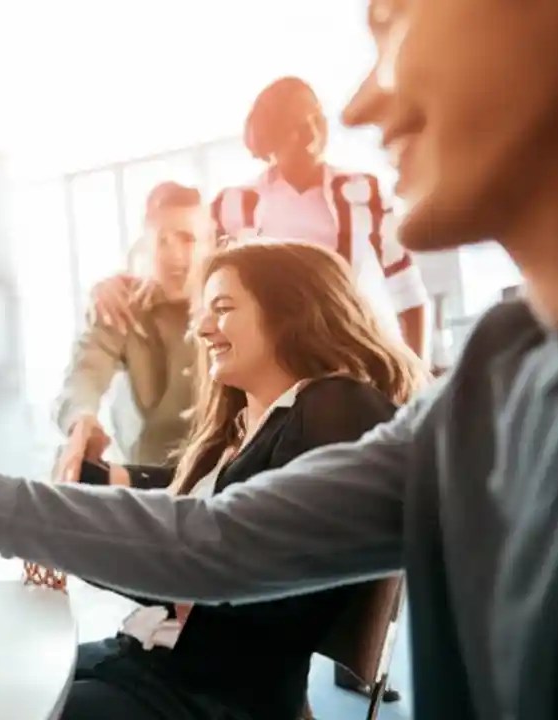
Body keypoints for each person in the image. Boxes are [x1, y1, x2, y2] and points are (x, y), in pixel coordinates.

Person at [0, 0, 558, 715]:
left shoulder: (357, 401)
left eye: (393, 21)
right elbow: (206, 540)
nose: (358, 106)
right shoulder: (494, 378)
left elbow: (208, 564)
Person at [62, 240, 422, 720]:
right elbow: (203, 495)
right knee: (12, 679)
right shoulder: (263, 420)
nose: (202, 326)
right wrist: (99, 475)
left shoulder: (337, 406)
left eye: (223, 309)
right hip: (157, 667)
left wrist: (65, 536)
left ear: (290, 312)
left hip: (211, 701)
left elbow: (244, 569)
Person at [92, 77, 429, 361]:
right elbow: (181, 258)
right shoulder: (234, 205)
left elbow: (408, 292)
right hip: (278, 368)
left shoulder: (362, 191)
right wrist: (111, 285)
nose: (311, 134)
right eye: (296, 126)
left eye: (316, 119)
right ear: (270, 137)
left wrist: (419, 381)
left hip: (355, 358)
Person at [53, 181, 210, 481]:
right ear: (146, 244)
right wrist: (81, 419)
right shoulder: (122, 307)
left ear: (211, 242)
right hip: (150, 485)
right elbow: (83, 374)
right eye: (162, 240)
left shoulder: (235, 306)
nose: (174, 255)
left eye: (187, 239)